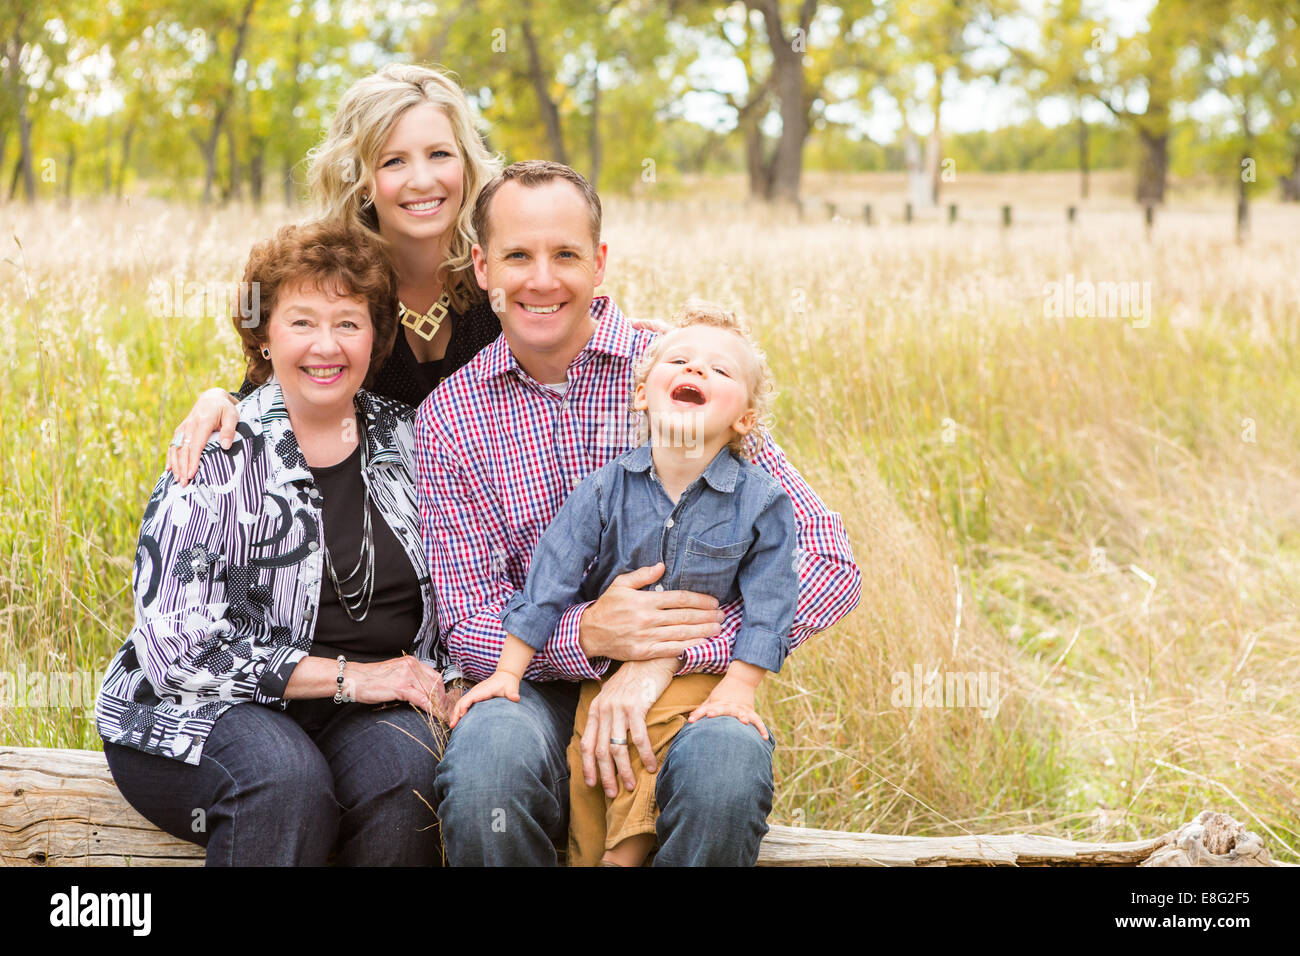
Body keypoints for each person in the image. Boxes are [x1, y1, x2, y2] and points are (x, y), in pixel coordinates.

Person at [417, 160, 863, 866]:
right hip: (538, 684)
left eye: (565, 254)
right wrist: (592, 632)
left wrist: (667, 655)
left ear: (598, 262)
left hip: (686, 691)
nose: (542, 279)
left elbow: (827, 565)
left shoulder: (686, 371)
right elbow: (469, 620)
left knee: (723, 770)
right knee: (486, 772)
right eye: (517, 256)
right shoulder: (450, 416)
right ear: (482, 268)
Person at [95, 220, 452, 866]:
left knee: (410, 768)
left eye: (348, 322)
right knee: (285, 780)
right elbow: (177, 647)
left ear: (377, 334)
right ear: (263, 335)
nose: (327, 345)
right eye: (302, 322)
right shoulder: (220, 451)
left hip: (359, 717)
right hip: (208, 710)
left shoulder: (415, 439)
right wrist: (353, 677)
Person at [450, 300, 801, 867]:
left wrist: (740, 685)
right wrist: (508, 671)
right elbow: (550, 579)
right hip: (601, 680)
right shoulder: (605, 489)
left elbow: (773, 600)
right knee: (591, 766)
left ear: (746, 418)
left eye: (720, 370)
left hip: (700, 679)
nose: (696, 372)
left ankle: (625, 853)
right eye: (681, 360)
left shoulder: (762, 502)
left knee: (659, 754)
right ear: (642, 394)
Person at [166, 63, 503, 485]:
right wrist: (223, 400)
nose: (422, 179)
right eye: (393, 161)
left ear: (466, 164)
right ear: (362, 180)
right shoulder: (341, 283)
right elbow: (279, 385)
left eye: (440, 154)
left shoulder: (500, 277)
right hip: (381, 529)